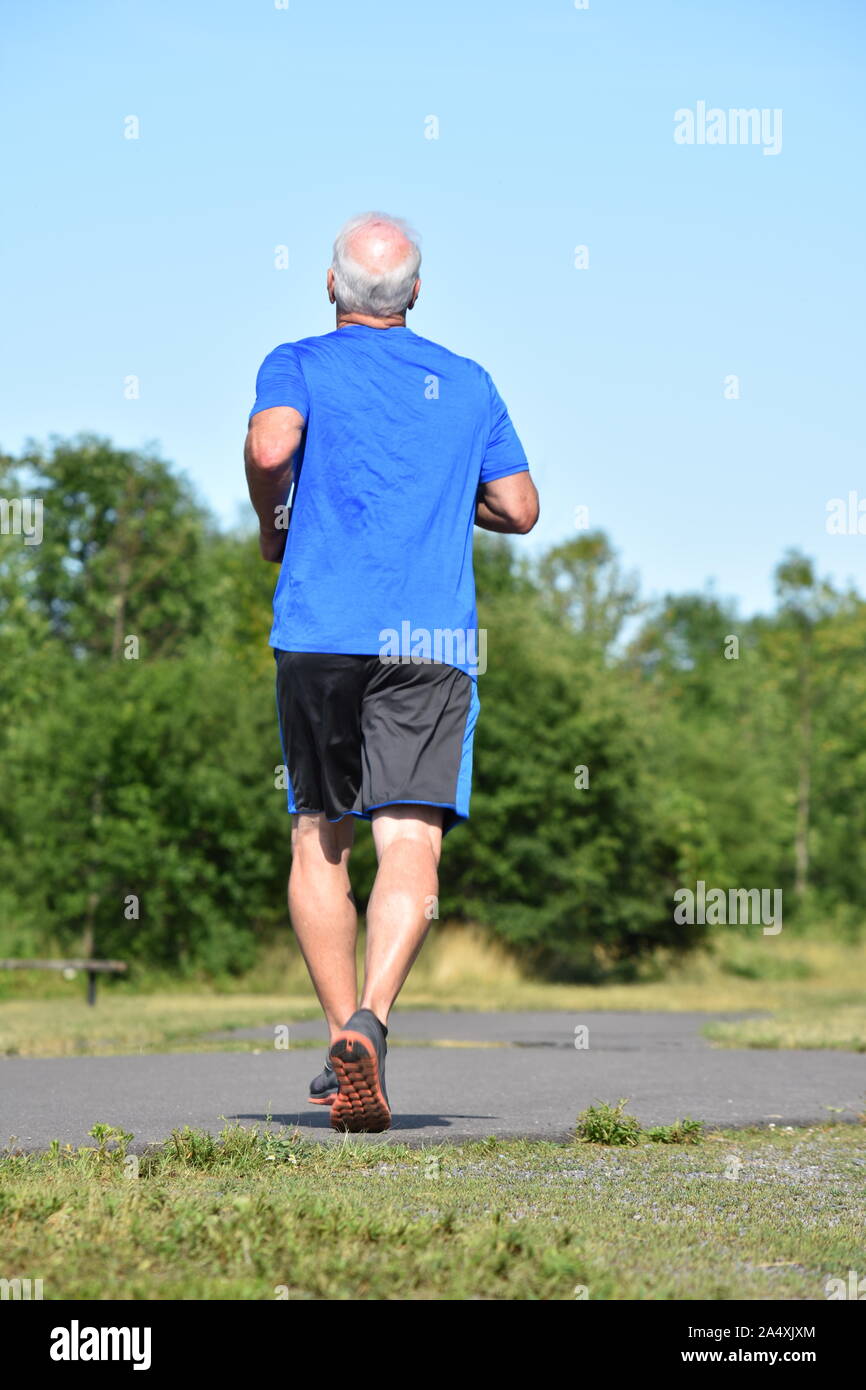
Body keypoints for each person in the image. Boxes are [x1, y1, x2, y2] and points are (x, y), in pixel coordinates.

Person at [244, 212, 538, 1132]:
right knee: (410, 842)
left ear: (331, 286)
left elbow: (269, 448)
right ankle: (370, 1023)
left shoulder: (296, 360)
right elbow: (522, 509)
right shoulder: (467, 381)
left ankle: (342, 1034)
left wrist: (271, 523)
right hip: (432, 643)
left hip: (323, 630)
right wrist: (456, 502)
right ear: (415, 294)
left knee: (318, 835)